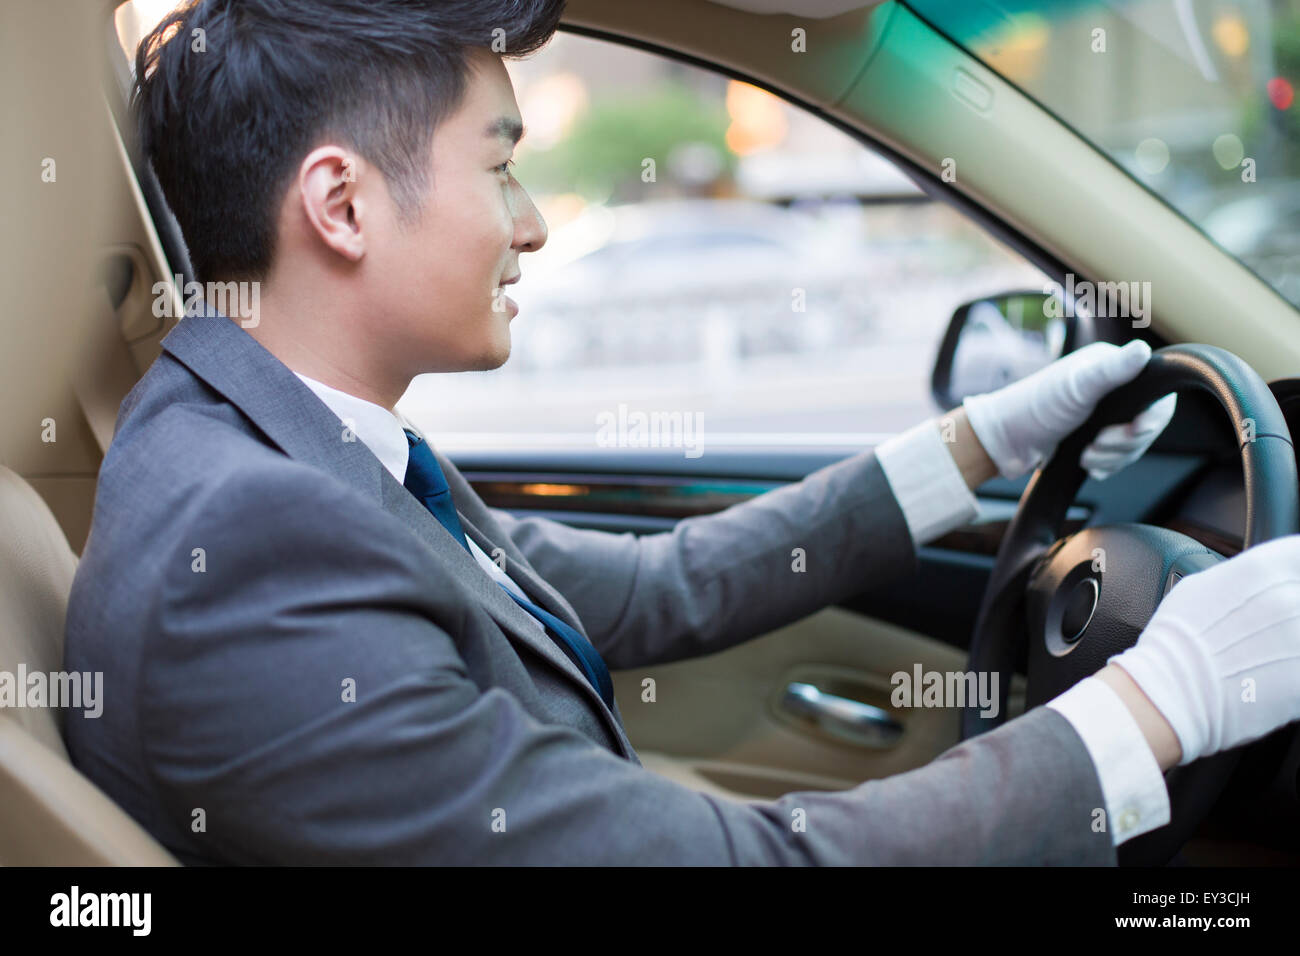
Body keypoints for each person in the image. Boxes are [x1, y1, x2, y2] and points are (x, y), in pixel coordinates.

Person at [63, 0, 1300, 865]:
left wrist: (972, 447)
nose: (533, 223)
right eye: (498, 169)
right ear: (339, 203)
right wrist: (1160, 696)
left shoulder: (289, 449)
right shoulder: (252, 543)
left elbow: (655, 585)